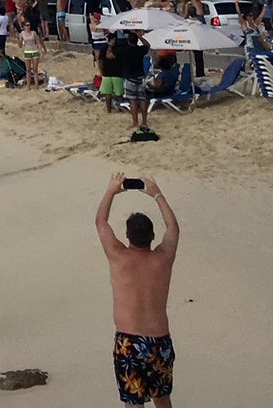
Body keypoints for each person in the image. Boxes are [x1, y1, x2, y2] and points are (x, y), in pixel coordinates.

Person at [96, 174, 180, 407]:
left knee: (134, 403)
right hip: (159, 342)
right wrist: (157, 194)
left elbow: (101, 222)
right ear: (153, 236)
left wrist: (111, 191)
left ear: (127, 236)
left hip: (128, 343)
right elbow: (173, 227)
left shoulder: (118, 256)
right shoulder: (163, 258)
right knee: (162, 399)